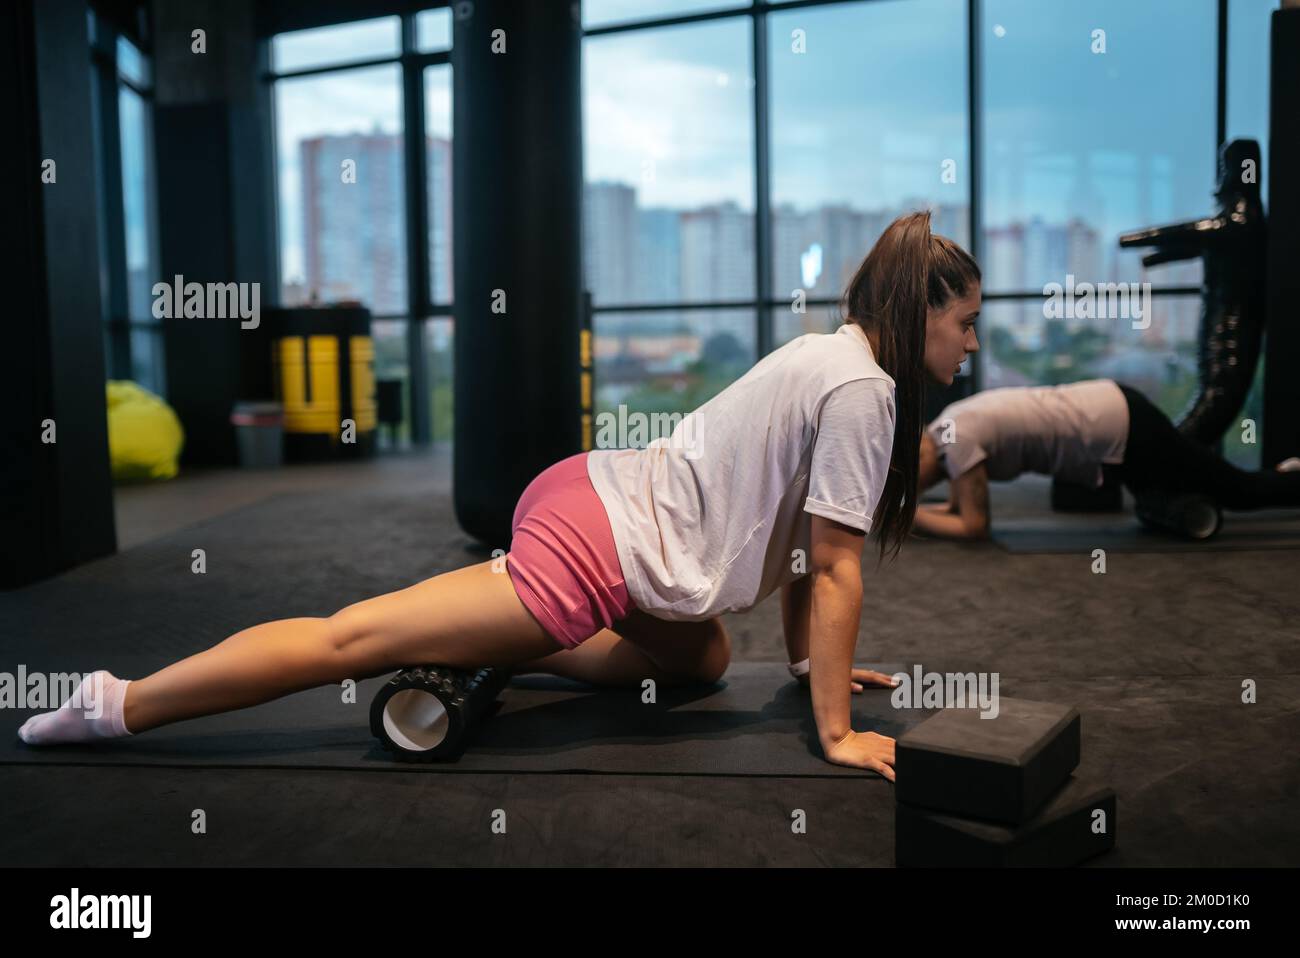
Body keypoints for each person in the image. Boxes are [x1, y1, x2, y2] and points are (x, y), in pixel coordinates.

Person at [18, 211, 983, 782]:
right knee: (351, 639)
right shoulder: (866, 388)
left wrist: (814, 658)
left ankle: (510, 645)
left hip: (603, 498)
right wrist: (836, 731)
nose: (971, 344)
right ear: (922, 312)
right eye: (966, 324)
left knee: (701, 661)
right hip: (599, 548)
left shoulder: (834, 357)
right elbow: (842, 564)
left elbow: (807, 548)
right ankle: (114, 703)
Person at [914, 378, 1300, 539]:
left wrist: (904, 515)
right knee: (1170, 498)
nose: (916, 488)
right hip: (1113, 422)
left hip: (1122, 427)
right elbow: (956, 506)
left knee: (1238, 491)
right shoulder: (950, 427)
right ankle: (1284, 476)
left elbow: (974, 526)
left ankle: (1289, 480)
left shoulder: (956, 438)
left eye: (908, 481)